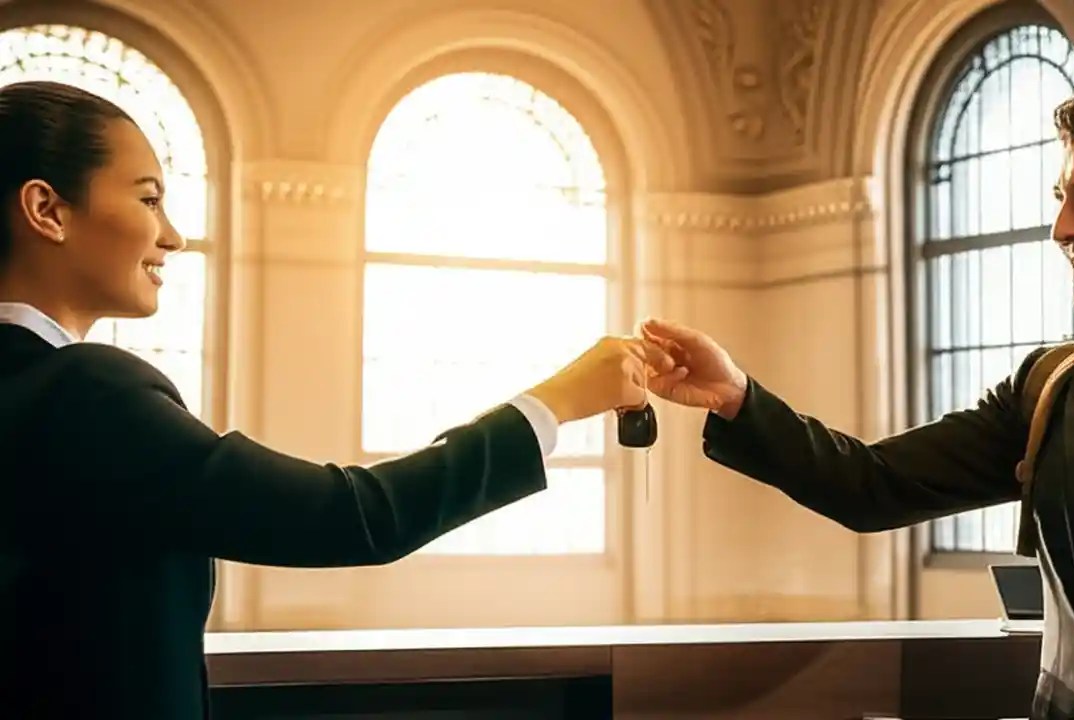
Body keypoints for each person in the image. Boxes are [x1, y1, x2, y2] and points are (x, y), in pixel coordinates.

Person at [0, 80, 673, 718]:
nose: (172, 235)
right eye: (149, 200)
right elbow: (354, 516)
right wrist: (555, 402)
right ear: (47, 210)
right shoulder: (88, 394)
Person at [642, 75, 1074, 720]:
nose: (1062, 228)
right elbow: (873, 485)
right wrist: (737, 397)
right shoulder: (1051, 386)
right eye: (1063, 198)